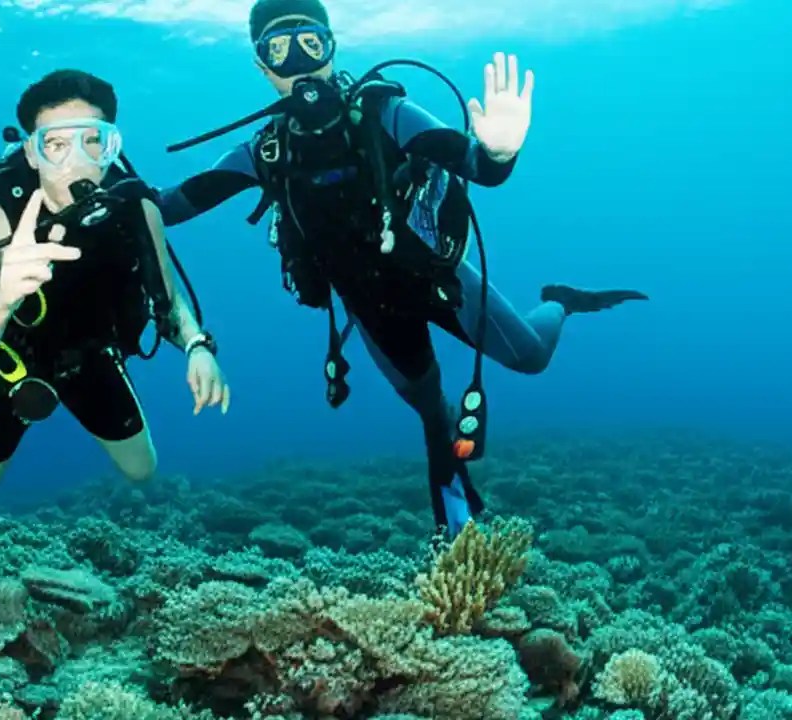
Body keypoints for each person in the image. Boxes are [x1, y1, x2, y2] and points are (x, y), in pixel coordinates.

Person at [156, 0, 647, 537]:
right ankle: (456, 533)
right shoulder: (266, 152)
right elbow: (169, 208)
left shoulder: (384, 113)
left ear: (331, 50)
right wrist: (110, 188)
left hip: (439, 281)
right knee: (431, 411)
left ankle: (561, 301)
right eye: (279, 50)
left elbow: (476, 165)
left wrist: (500, 153)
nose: (299, 64)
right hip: (373, 311)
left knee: (530, 357)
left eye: (310, 44)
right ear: (263, 68)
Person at [0, 69, 229, 493]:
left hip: (90, 354)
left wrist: (196, 345)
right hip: (13, 361)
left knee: (142, 469)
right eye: (55, 145)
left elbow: (166, 295)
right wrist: (1, 298)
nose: (78, 162)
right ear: (32, 154)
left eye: (93, 140)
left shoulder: (138, 209)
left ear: (112, 147)